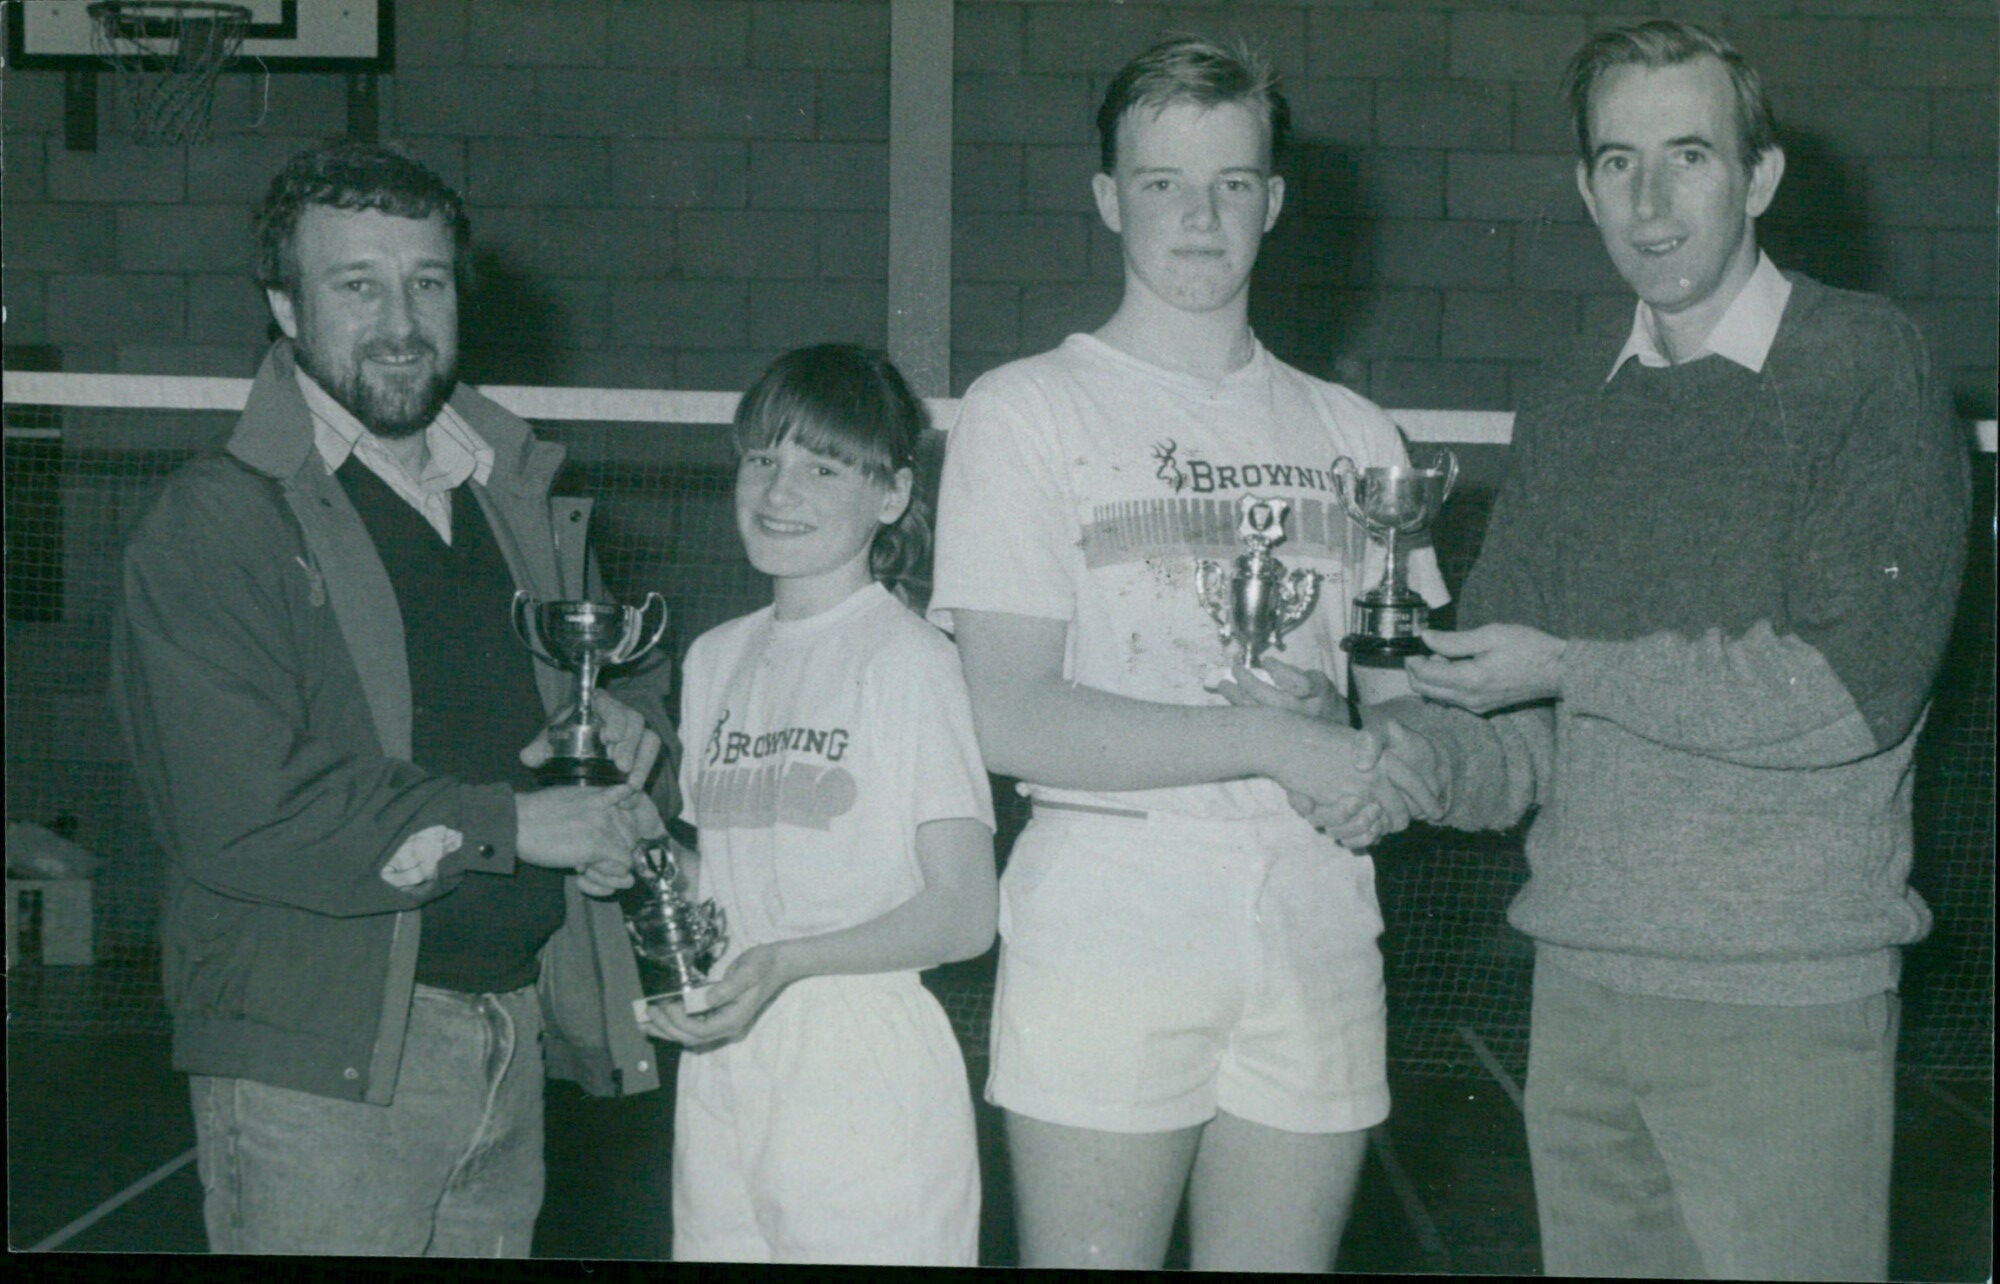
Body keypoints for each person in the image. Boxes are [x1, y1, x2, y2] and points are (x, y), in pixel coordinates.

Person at [1373, 21, 1970, 1281]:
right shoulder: (1568, 402)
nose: (1648, 204)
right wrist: (1395, 759)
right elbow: (1510, 726)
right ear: (1583, 184)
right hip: (1576, 1002)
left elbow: (1847, 693)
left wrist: (1567, 667)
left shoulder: (1867, 361)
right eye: (1615, 161)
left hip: (1779, 1007)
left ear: (1757, 177)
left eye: (1686, 156)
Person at [928, 37, 1449, 1272]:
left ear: (1274, 201)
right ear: (1108, 199)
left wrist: (1379, 766)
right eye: (1161, 182)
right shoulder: (1026, 410)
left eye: (1230, 182)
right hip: (1112, 906)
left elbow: (1414, 721)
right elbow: (1007, 717)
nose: (1199, 216)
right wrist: (1279, 741)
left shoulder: (1352, 429)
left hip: (1316, 911)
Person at [110, 140, 679, 1257]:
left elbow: (629, 681)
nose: (401, 319)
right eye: (355, 285)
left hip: (512, 1039)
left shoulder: (513, 489)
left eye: (426, 281)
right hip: (320, 1071)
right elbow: (239, 810)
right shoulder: (219, 520)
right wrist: (514, 823)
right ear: (283, 305)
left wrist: (629, 733)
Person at [639, 344, 997, 1265]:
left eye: (821, 465)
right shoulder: (716, 656)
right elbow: (728, 888)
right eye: (763, 458)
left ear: (891, 495)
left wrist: (789, 963)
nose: (778, 490)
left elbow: (964, 915)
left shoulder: (910, 659)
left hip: (861, 1064)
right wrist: (641, 854)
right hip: (726, 1057)